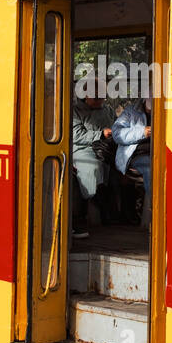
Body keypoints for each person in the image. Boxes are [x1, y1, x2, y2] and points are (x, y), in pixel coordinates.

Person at [71, 95, 114, 238]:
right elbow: (76, 135)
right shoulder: (75, 111)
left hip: (106, 148)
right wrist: (100, 134)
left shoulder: (107, 110)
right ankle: (92, 199)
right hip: (83, 149)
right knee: (93, 167)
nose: (100, 101)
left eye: (102, 97)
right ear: (86, 96)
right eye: (96, 98)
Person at [111, 98, 152, 229]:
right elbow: (117, 134)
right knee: (152, 169)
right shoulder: (131, 112)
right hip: (135, 155)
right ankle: (157, 211)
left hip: (160, 153)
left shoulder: (169, 112)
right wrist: (142, 132)